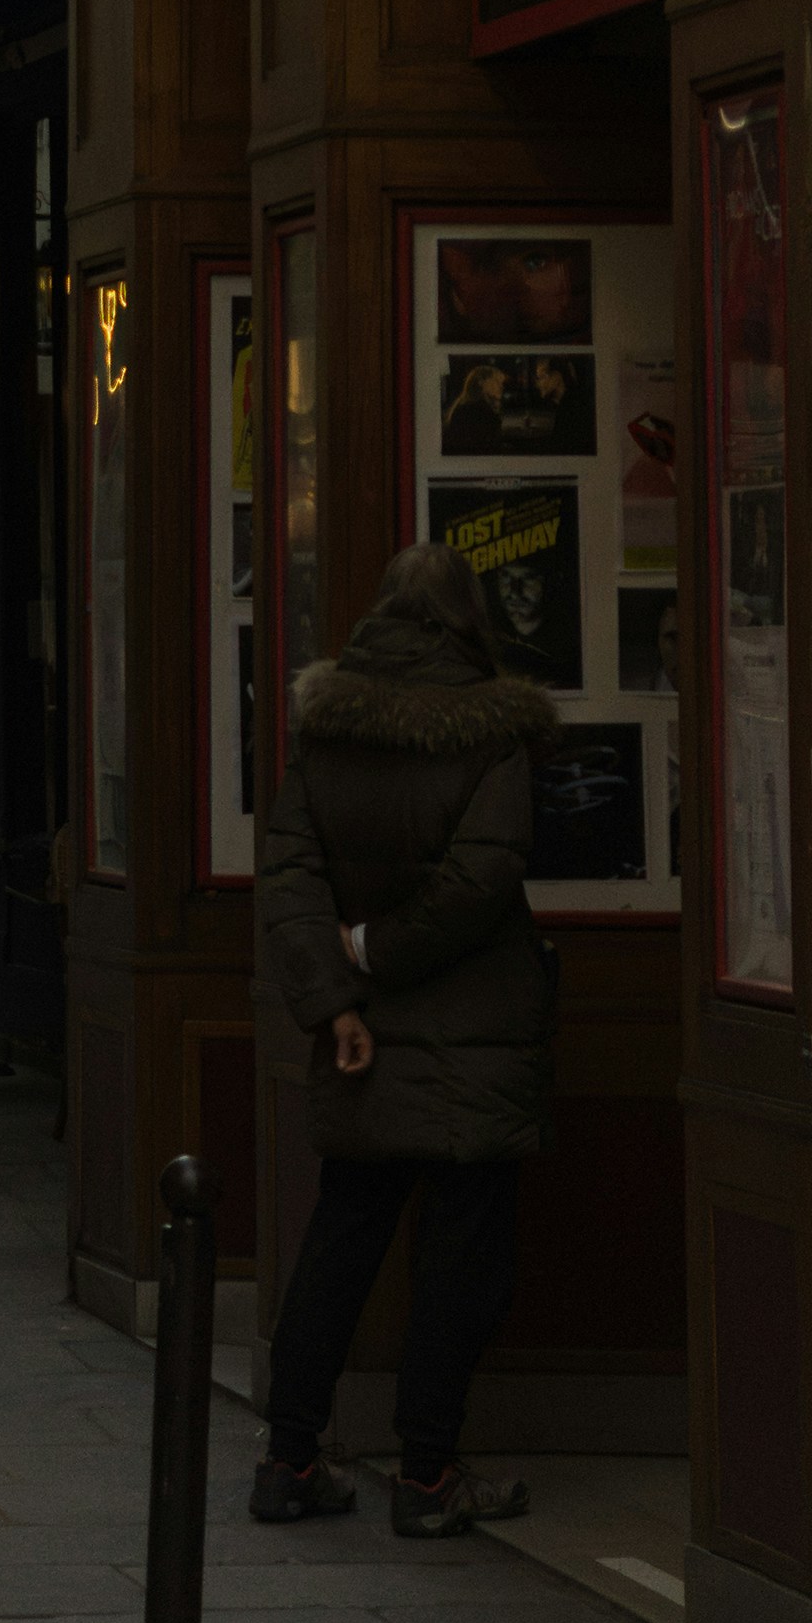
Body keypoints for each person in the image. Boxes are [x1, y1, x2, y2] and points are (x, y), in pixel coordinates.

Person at [255, 540, 559, 1537]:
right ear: (469, 617)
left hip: (367, 1039)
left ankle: (288, 1456)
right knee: (460, 1262)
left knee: (339, 1246)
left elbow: (289, 876)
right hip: (476, 1037)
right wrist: (374, 953)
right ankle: (427, 1475)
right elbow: (480, 884)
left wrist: (335, 997)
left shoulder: (327, 729)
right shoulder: (494, 729)